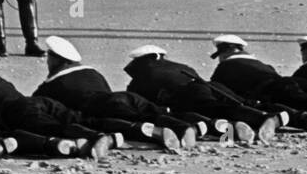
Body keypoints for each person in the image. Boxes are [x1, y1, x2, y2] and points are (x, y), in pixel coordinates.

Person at [34, 36, 198, 151]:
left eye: (50, 58)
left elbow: (42, 104)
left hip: (105, 105)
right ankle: (185, 127)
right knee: (153, 113)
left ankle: (153, 132)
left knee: (115, 122)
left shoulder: (53, 84)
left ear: (56, 59)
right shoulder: (93, 73)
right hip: (123, 97)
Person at [0, 53, 119, 159]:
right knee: (74, 118)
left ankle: (96, 137)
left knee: (51, 128)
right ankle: (107, 133)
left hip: (18, 110)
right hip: (36, 102)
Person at [123, 45, 306, 141]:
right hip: (211, 85)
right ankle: (280, 116)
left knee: (214, 110)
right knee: (241, 103)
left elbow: (143, 101)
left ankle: (256, 122)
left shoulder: (143, 76)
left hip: (187, 94)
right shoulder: (181, 66)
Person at [208, 35, 307, 134]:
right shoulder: (261, 64)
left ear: (226, 52)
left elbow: (219, 89)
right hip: (287, 81)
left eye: (220, 55)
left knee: (303, 102)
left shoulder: (225, 67)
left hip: (272, 89)